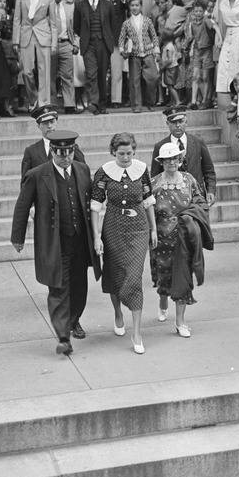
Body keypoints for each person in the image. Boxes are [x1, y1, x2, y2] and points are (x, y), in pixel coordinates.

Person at [12, 130, 99, 355]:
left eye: (69, 153)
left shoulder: (82, 169)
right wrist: (18, 237)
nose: (66, 158)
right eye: (61, 154)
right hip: (54, 242)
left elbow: (91, 203)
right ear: (52, 151)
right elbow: (22, 206)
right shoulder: (37, 174)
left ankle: (74, 320)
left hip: (80, 241)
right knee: (58, 287)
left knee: (79, 286)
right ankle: (63, 336)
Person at [89, 132, 157, 351]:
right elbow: (96, 206)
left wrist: (153, 229)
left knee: (134, 277)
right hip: (113, 226)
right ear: (113, 152)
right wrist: (96, 236)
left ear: (134, 151)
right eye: (121, 154)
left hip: (138, 227)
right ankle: (118, 313)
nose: (126, 157)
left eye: (129, 153)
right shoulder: (103, 172)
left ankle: (136, 333)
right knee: (115, 272)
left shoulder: (142, 169)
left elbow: (148, 201)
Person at [149, 142, 210, 345]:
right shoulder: (154, 183)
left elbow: (200, 201)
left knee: (183, 278)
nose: (172, 163)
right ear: (162, 162)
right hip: (161, 240)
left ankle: (180, 322)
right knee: (164, 276)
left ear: (180, 160)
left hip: (184, 238)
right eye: (167, 160)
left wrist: (192, 218)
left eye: (175, 159)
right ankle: (163, 299)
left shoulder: (189, 180)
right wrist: (152, 231)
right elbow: (147, 211)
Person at [12, 0, 59, 112]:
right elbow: (17, 19)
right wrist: (15, 40)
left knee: (44, 70)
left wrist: (54, 43)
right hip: (26, 34)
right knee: (27, 71)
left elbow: (53, 22)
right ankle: (33, 98)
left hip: (43, 34)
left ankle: (44, 104)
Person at [151, 106, 217, 205]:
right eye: (173, 122)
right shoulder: (160, 146)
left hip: (196, 197)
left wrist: (211, 191)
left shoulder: (198, 142)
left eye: (181, 121)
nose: (178, 125)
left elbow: (209, 170)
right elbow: (155, 176)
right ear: (167, 123)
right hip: (171, 200)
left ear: (186, 122)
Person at [20, 104, 84, 182]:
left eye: (52, 122)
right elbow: (25, 181)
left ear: (56, 122)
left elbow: (82, 171)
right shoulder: (31, 151)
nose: (50, 126)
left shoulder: (70, 145)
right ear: (38, 126)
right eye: (45, 123)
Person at [119, 0, 160, 113]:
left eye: (137, 5)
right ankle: (136, 105)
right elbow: (121, 38)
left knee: (152, 77)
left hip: (147, 52)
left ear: (141, 6)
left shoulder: (147, 20)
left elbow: (154, 36)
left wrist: (156, 51)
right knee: (134, 81)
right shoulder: (126, 23)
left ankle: (151, 102)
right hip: (134, 55)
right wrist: (122, 51)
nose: (134, 8)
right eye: (132, 5)